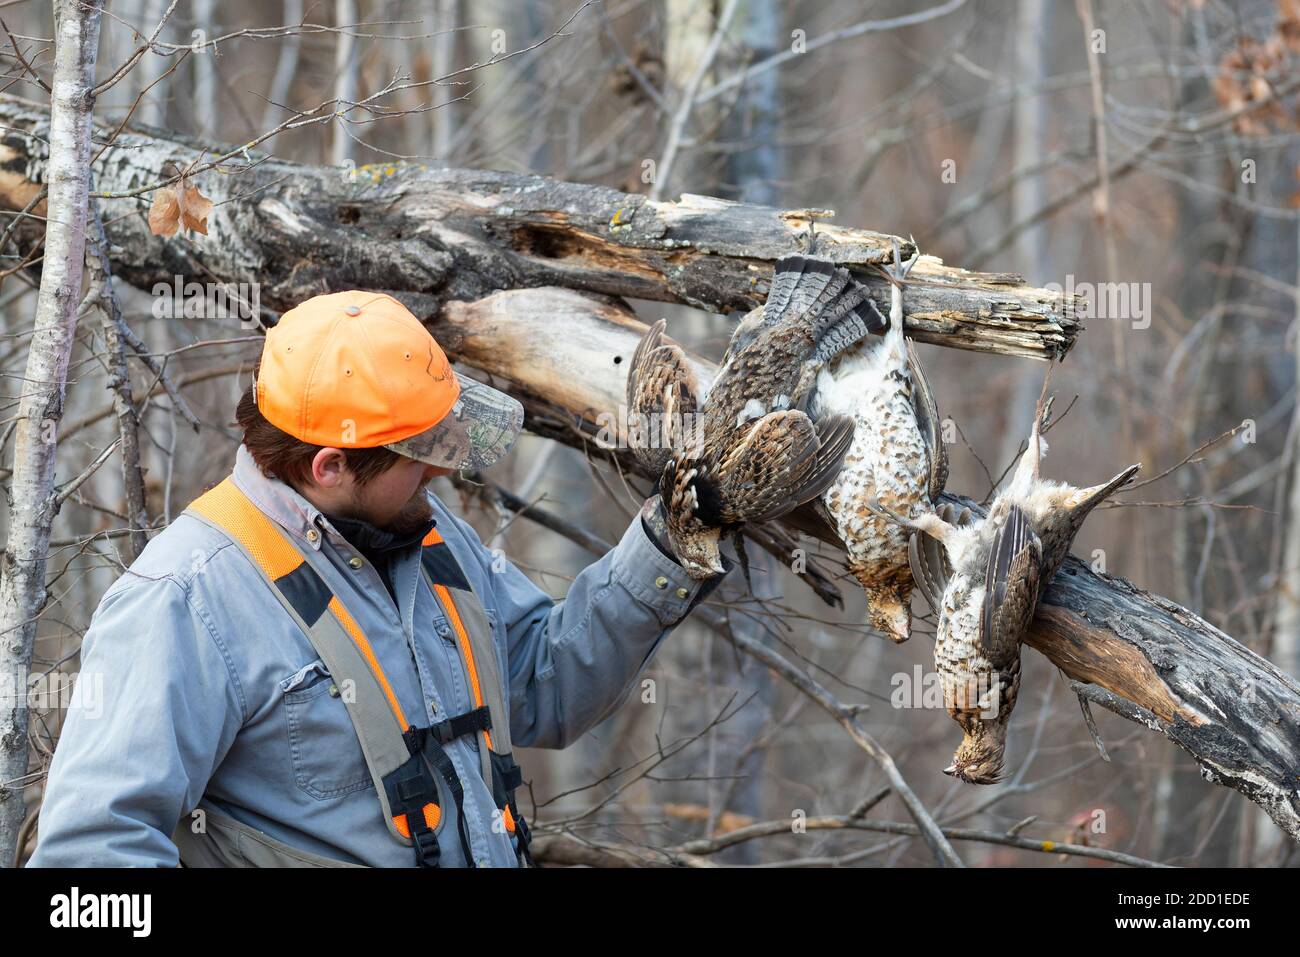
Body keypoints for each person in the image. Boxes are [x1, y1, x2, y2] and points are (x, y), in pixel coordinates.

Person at [29, 290, 724, 868]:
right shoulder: (187, 598)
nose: (444, 470)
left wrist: (672, 538)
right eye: (419, 453)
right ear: (329, 466)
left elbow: (549, 684)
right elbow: (89, 860)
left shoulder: (424, 529)